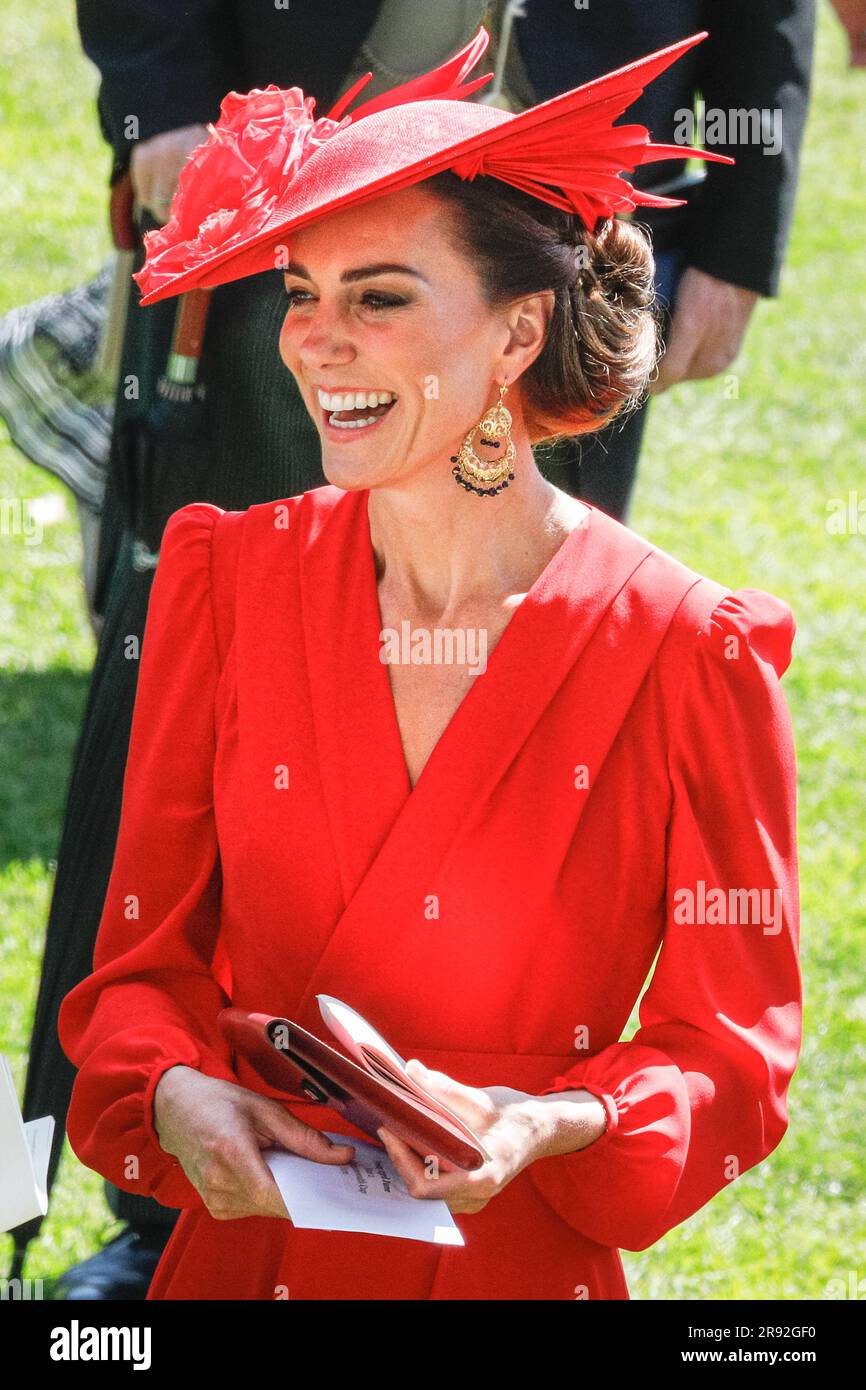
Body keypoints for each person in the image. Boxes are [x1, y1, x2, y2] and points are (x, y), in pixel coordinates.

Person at [57, 28, 802, 1301]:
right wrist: (175, 1085)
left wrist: (543, 1121)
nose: (313, 341)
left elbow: (726, 1055)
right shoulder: (224, 585)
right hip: (248, 1264)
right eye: (301, 291)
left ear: (516, 337)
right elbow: (141, 967)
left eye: (379, 297)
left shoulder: (688, 651)